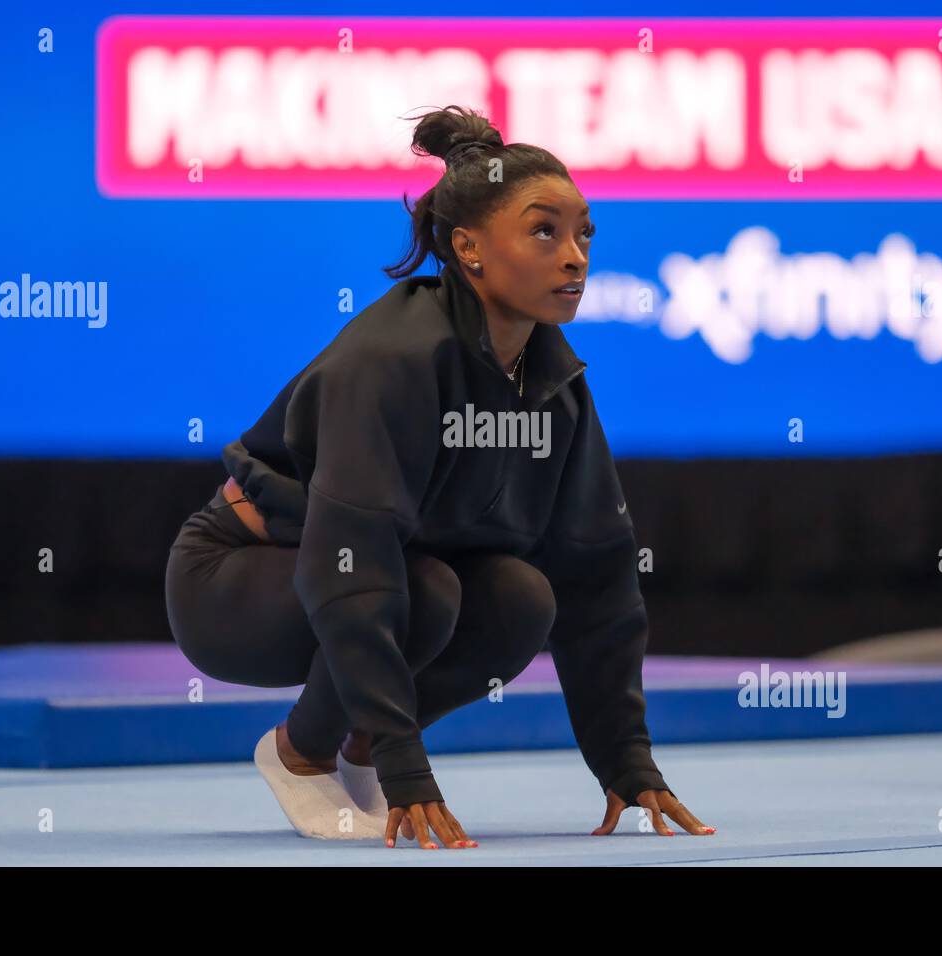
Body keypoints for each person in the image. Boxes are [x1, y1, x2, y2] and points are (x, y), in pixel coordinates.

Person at [164, 104, 715, 849]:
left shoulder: (554, 383)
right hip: (236, 579)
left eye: (585, 232)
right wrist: (407, 769)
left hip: (388, 576)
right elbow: (350, 568)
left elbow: (599, 579)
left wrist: (626, 761)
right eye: (545, 230)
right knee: (425, 588)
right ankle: (301, 753)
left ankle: (354, 745)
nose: (576, 255)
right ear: (469, 248)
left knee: (524, 598)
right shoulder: (393, 358)